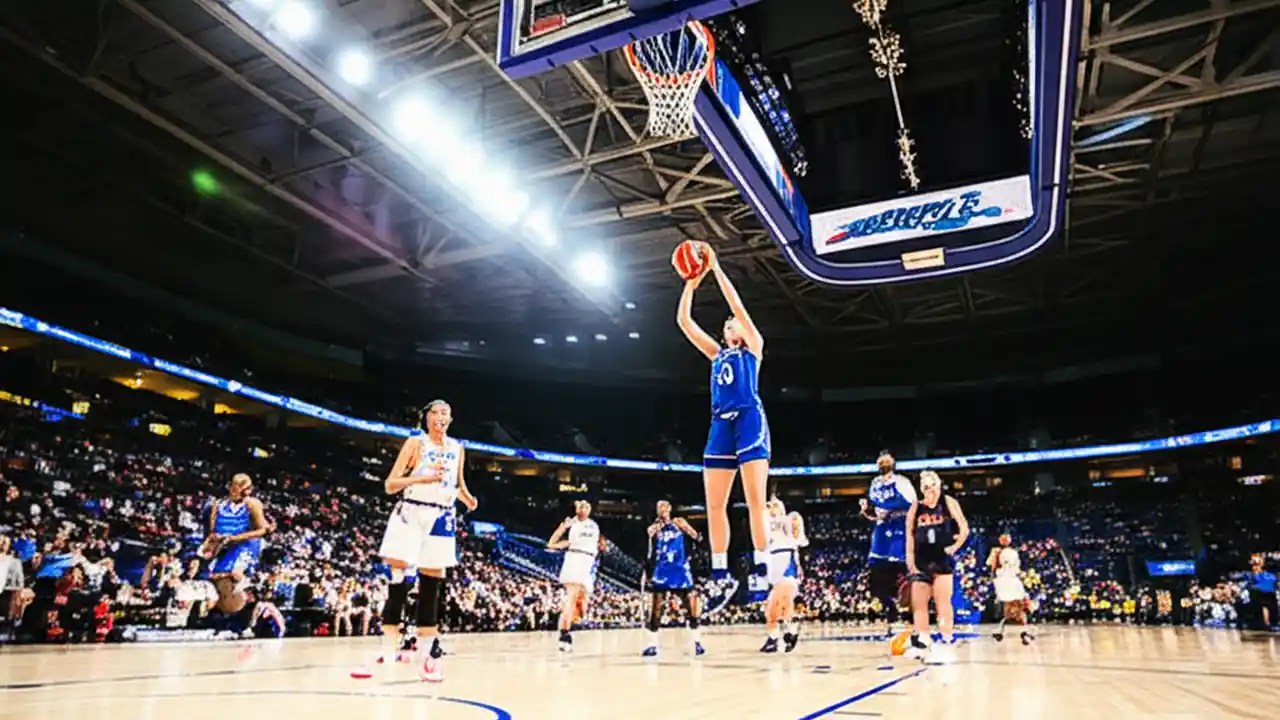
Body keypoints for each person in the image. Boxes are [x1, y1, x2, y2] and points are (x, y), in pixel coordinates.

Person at [354, 400, 478, 683]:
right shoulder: (415, 443)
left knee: (432, 585)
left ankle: (428, 657)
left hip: (442, 515)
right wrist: (420, 479)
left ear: (451, 418)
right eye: (434, 412)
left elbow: (456, 484)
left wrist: (467, 498)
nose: (440, 416)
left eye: (445, 412)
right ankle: (385, 650)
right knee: (399, 579)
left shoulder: (458, 448)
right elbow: (390, 484)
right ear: (426, 418)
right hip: (411, 510)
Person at [675, 242, 770, 581]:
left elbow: (737, 306)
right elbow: (684, 321)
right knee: (714, 503)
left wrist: (715, 268)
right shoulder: (717, 354)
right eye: (728, 324)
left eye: (735, 323)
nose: (732, 323)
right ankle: (719, 570)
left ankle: (762, 563)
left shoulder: (754, 349)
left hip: (749, 419)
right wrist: (691, 282)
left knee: (755, 500)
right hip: (721, 424)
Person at [905, 471, 969, 665]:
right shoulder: (916, 507)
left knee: (943, 603)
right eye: (925, 485)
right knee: (919, 604)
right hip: (921, 560)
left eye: (931, 484)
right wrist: (910, 560)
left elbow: (964, 528)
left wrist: (954, 547)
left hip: (941, 559)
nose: (929, 488)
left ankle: (947, 641)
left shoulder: (948, 502)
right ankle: (923, 642)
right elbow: (909, 534)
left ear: (938, 485)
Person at [859, 452, 916, 636]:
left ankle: (913, 617)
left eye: (887, 460)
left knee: (908, 572)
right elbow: (875, 511)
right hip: (882, 532)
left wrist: (887, 507)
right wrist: (867, 510)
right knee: (876, 578)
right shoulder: (875, 483)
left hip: (901, 530)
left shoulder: (902, 482)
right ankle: (892, 612)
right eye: (880, 461)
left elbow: (911, 502)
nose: (883, 463)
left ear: (893, 463)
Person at [641, 500, 705, 657]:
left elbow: (696, 536)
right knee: (656, 609)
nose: (662, 509)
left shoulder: (678, 522)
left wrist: (690, 531)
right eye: (659, 507)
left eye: (664, 506)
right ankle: (652, 644)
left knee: (690, 606)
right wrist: (659, 524)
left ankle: (696, 642)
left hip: (679, 568)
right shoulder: (656, 527)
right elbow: (649, 533)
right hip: (662, 569)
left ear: (670, 508)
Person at [202, 473, 271, 614]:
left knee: (234, 572)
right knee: (214, 576)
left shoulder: (253, 504)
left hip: (246, 545)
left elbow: (262, 530)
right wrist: (209, 545)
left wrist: (235, 538)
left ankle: (248, 587)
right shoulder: (218, 505)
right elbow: (212, 531)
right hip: (224, 545)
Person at [548, 500, 605, 654]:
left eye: (587, 506)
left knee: (582, 606)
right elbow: (551, 543)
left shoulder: (594, 525)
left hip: (589, 563)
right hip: (575, 560)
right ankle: (564, 636)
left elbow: (598, 543)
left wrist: (601, 546)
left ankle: (566, 627)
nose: (585, 508)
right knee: (571, 599)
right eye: (581, 506)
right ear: (576, 509)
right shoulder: (571, 523)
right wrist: (562, 528)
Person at [760, 498, 808, 654]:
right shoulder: (765, 525)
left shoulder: (790, 518)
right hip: (773, 567)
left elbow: (800, 539)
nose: (770, 508)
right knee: (771, 611)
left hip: (787, 566)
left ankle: (783, 635)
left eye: (773, 505)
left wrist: (794, 525)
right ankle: (786, 634)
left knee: (783, 603)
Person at [987, 533, 1034, 644]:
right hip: (1010, 581)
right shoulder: (1003, 552)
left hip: (1003, 582)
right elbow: (1015, 569)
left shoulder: (998, 552)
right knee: (1019, 607)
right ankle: (1024, 632)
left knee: (1010, 608)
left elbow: (992, 568)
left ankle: (1001, 632)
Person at [1247, 554, 1277, 631]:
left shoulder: (1267, 574)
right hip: (1264, 591)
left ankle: (1267, 623)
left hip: (1263, 591)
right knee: (1265, 606)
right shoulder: (1267, 575)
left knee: (1265, 605)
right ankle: (1267, 623)